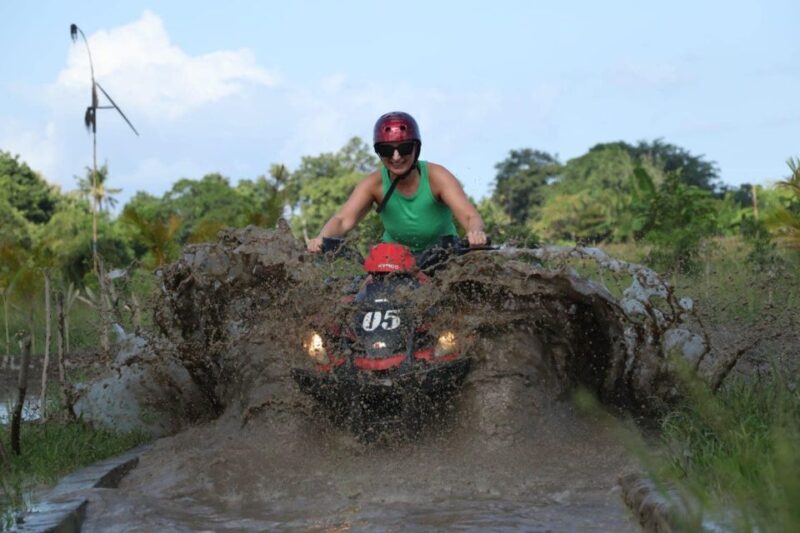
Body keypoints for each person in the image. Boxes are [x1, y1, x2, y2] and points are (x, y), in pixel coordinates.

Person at [306, 111, 487, 254]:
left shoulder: (437, 177)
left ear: (416, 148)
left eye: (404, 148)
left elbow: (471, 217)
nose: (396, 157)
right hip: (394, 261)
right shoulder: (373, 184)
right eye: (386, 150)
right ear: (379, 152)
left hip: (443, 256)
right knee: (365, 297)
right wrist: (321, 239)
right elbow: (342, 220)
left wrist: (475, 233)